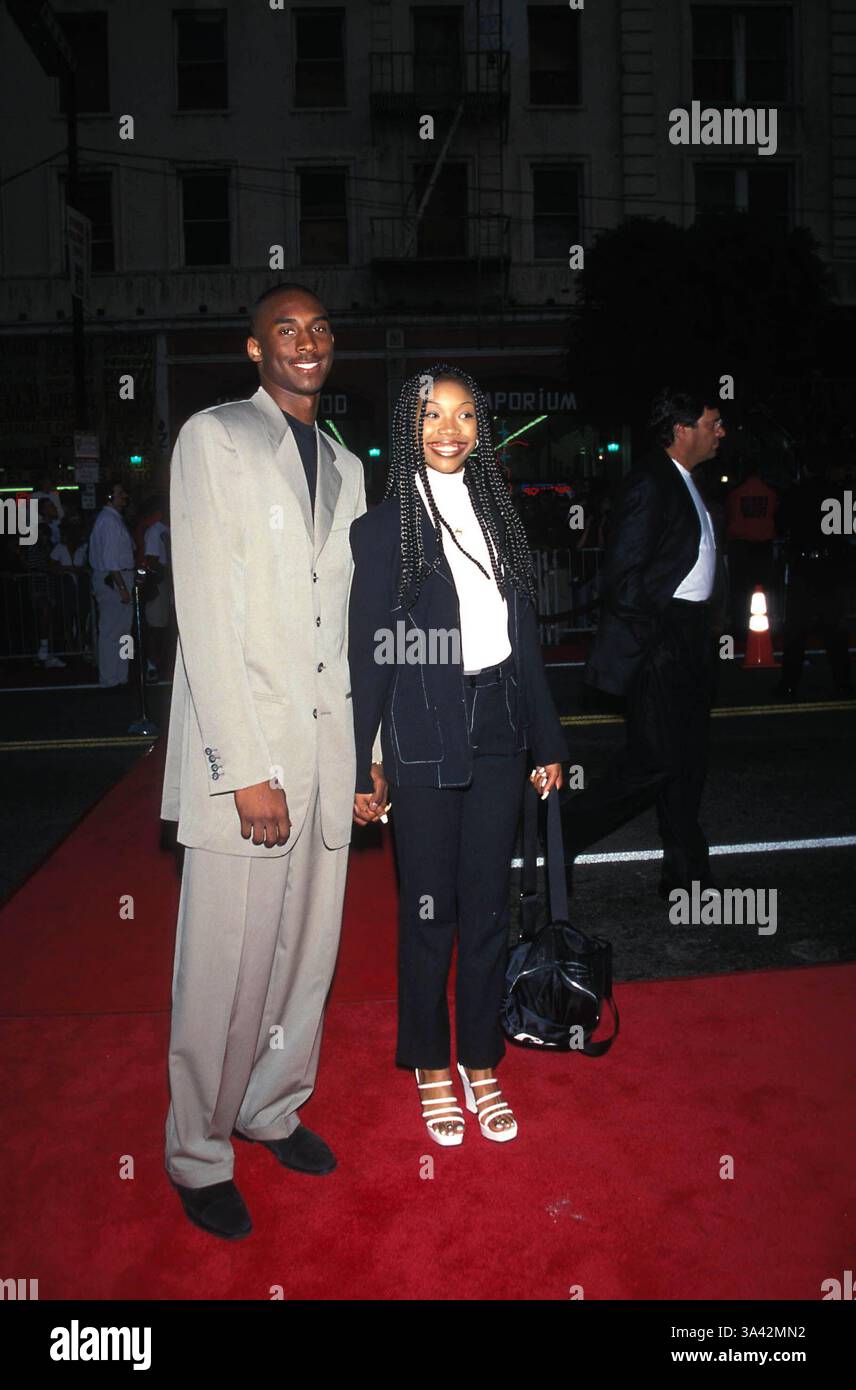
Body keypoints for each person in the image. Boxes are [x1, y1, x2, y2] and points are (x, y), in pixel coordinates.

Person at [160, 283, 381, 1240]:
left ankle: (271, 1106)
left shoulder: (345, 463)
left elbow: (355, 625)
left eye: (319, 329)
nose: (306, 343)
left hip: (330, 751)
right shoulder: (213, 438)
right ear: (253, 349)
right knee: (225, 968)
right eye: (284, 330)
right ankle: (199, 1151)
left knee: (306, 959)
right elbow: (204, 611)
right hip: (248, 754)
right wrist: (240, 766)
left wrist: (372, 756)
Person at [348, 364, 566, 1147]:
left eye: (466, 415)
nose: (449, 429)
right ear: (409, 425)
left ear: (481, 428)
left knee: (487, 913)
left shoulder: (501, 516)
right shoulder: (381, 530)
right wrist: (359, 761)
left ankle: (480, 1057)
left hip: (503, 725)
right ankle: (429, 1065)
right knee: (428, 912)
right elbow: (369, 655)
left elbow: (525, 640)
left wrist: (548, 738)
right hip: (422, 734)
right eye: (433, 414)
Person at [561, 386, 727, 897]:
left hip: (692, 636)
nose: (721, 432)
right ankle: (565, 830)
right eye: (712, 422)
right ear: (682, 429)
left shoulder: (689, 482)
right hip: (662, 638)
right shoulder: (650, 483)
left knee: (689, 763)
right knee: (655, 760)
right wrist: (654, 638)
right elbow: (623, 575)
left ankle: (686, 878)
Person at [774, 453, 854, 698]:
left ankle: (789, 684)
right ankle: (842, 683)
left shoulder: (794, 494)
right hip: (832, 567)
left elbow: (780, 526)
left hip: (805, 566)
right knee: (835, 630)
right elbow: (848, 531)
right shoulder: (840, 494)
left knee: (796, 630)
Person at [88, 481, 135, 688]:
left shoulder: (113, 519)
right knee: (110, 632)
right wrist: (122, 587)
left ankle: (120, 676)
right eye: (120, 493)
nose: (124, 496)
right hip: (114, 579)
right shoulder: (108, 521)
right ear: (109, 497)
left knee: (123, 631)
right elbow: (110, 560)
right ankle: (109, 678)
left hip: (120, 577)